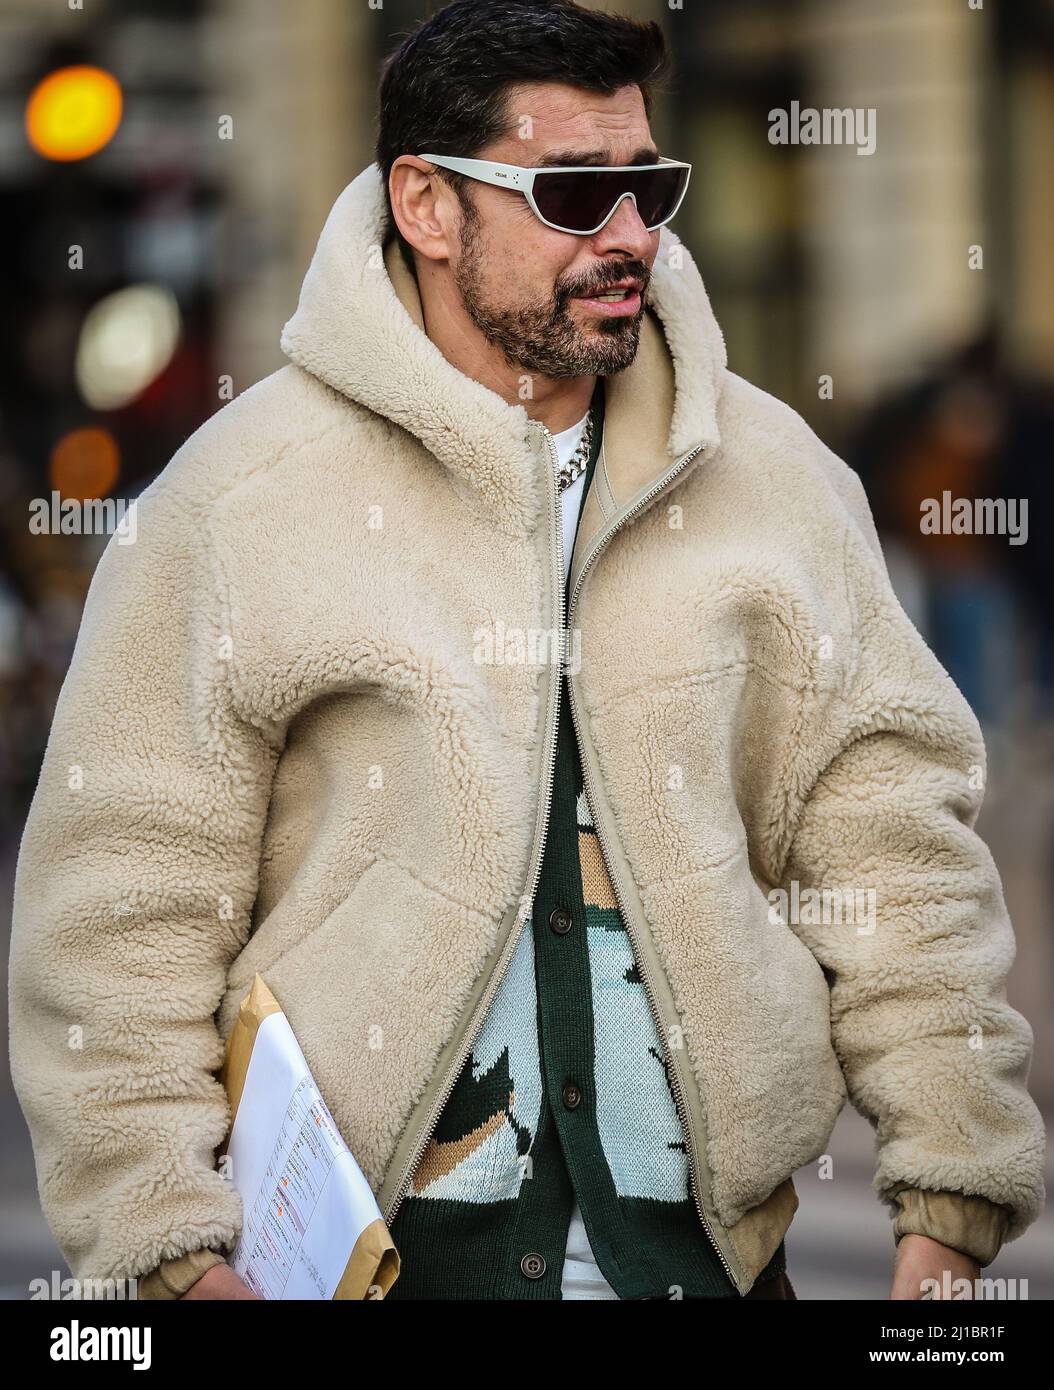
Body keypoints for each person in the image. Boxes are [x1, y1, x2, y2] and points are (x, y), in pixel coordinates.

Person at [9, 0, 1044, 1302]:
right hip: (363, 1270)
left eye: (647, 189)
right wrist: (170, 1253)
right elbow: (119, 913)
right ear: (428, 208)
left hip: (713, 1266)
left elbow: (891, 841)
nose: (631, 241)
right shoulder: (235, 501)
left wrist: (949, 1190)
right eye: (572, 196)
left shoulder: (776, 479)